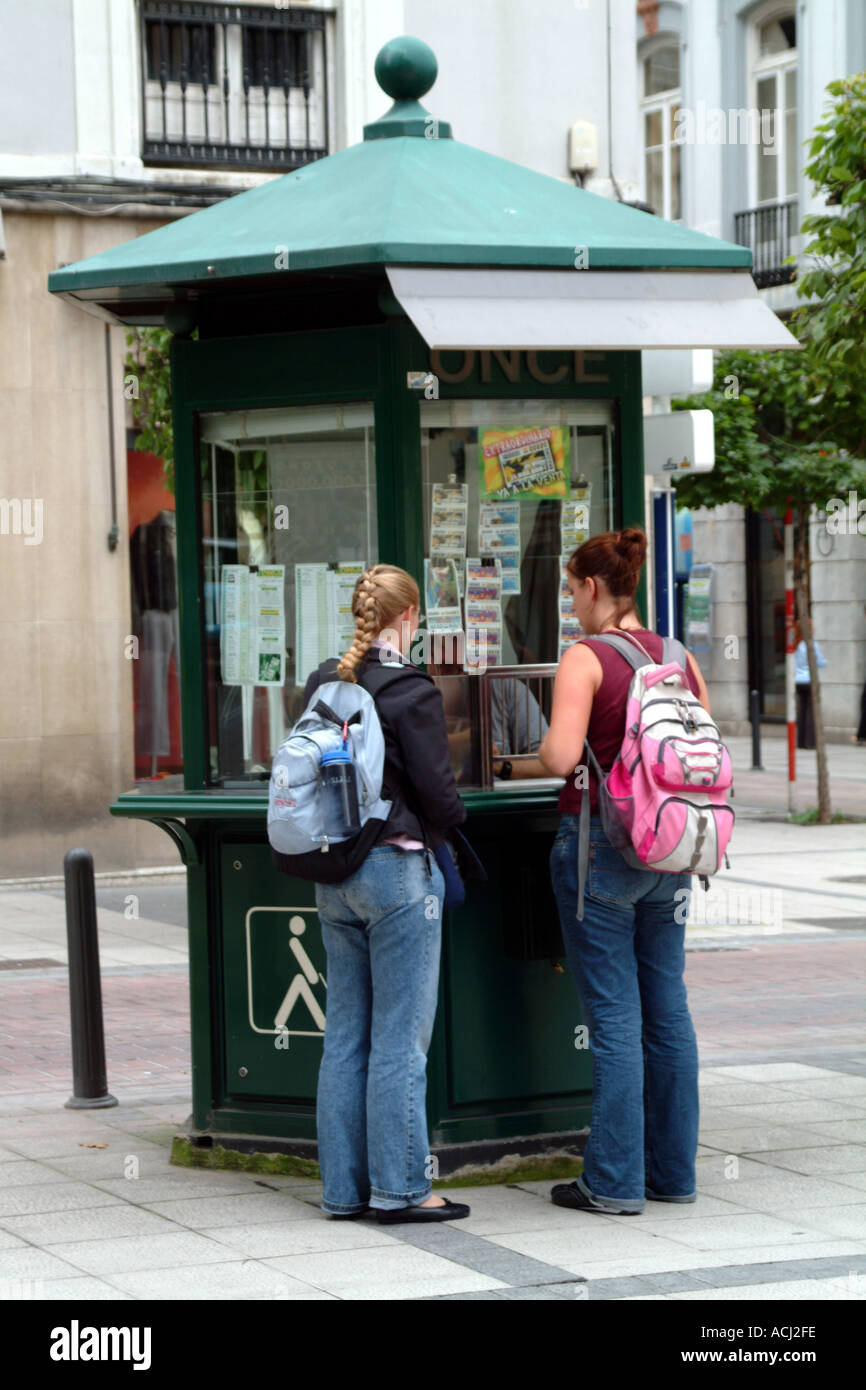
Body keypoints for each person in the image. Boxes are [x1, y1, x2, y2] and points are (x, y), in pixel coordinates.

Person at [537, 527, 711, 1215]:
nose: (571, 606)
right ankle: (673, 1175)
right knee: (667, 1011)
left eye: (571, 592)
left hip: (601, 847)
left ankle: (611, 1182)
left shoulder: (585, 658)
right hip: (669, 848)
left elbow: (558, 757)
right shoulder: (679, 656)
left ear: (590, 587)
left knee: (614, 1019)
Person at [303, 564, 470, 1224]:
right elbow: (437, 794)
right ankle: (402, 1189)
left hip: (336, 875)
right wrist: (454, 816)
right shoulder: (411, 689)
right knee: (401, 1041)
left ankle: (343, 1192)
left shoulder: (326, 683)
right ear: (409, 619)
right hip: (399, 876)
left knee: (345, 1036)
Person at [793, 619, 827, 750]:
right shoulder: (811, 644)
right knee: (810, 712)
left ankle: (801, 741)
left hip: (798, 681)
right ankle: (810, 741)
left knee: (802, 710)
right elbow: (820, 662)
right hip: (809, 680)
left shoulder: (795, 644)